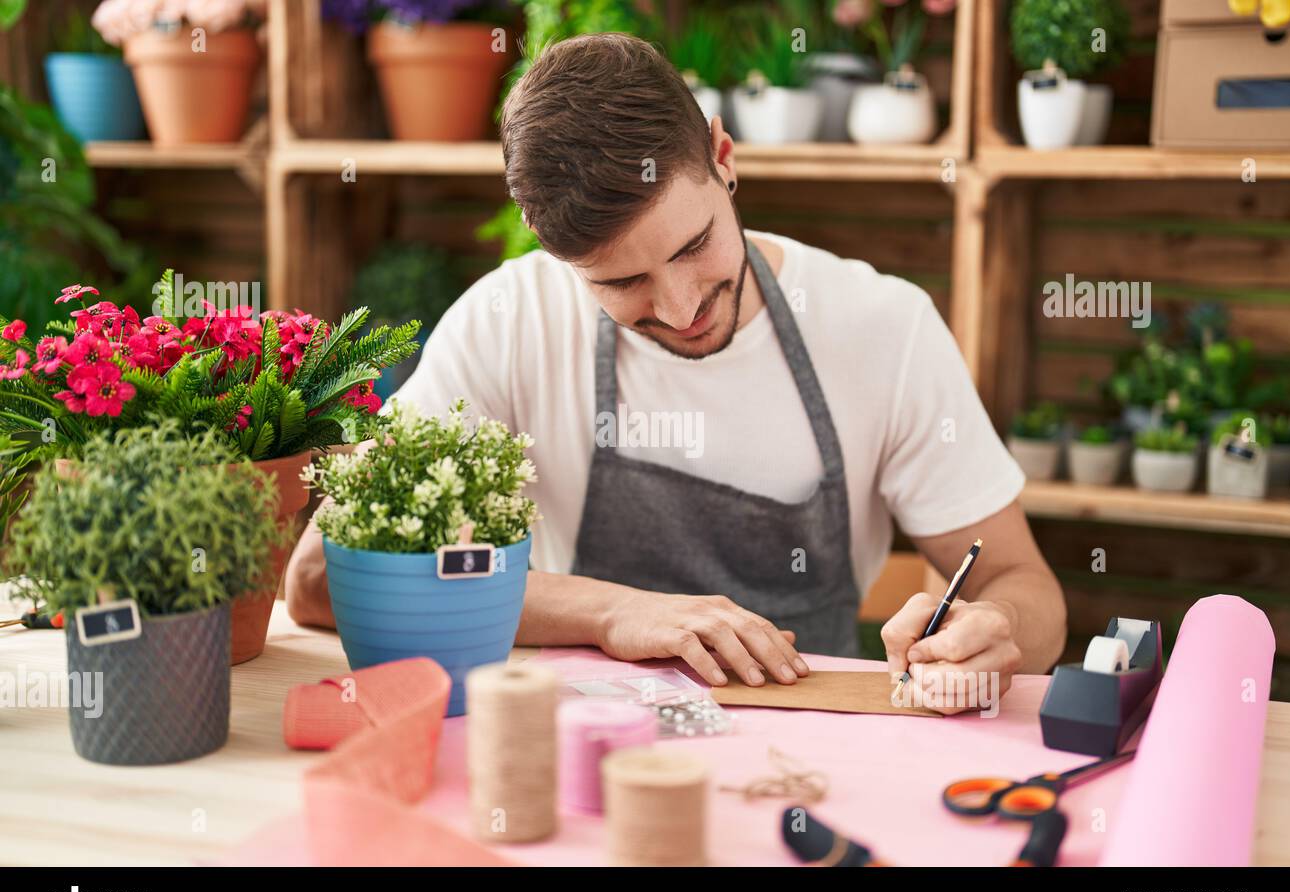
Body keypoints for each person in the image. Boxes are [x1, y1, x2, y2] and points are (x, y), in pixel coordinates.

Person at [285, 33, 1066, 712]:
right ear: (556, 255)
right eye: (621, 283)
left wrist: (994, 633)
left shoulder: (882, 327)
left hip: (817, 757)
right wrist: (612, 613)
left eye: (694, 246)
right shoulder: (506, 322)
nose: (683, 305)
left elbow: (1028, 589)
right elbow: (320, 581)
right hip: (581, 750)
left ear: (723, 160)